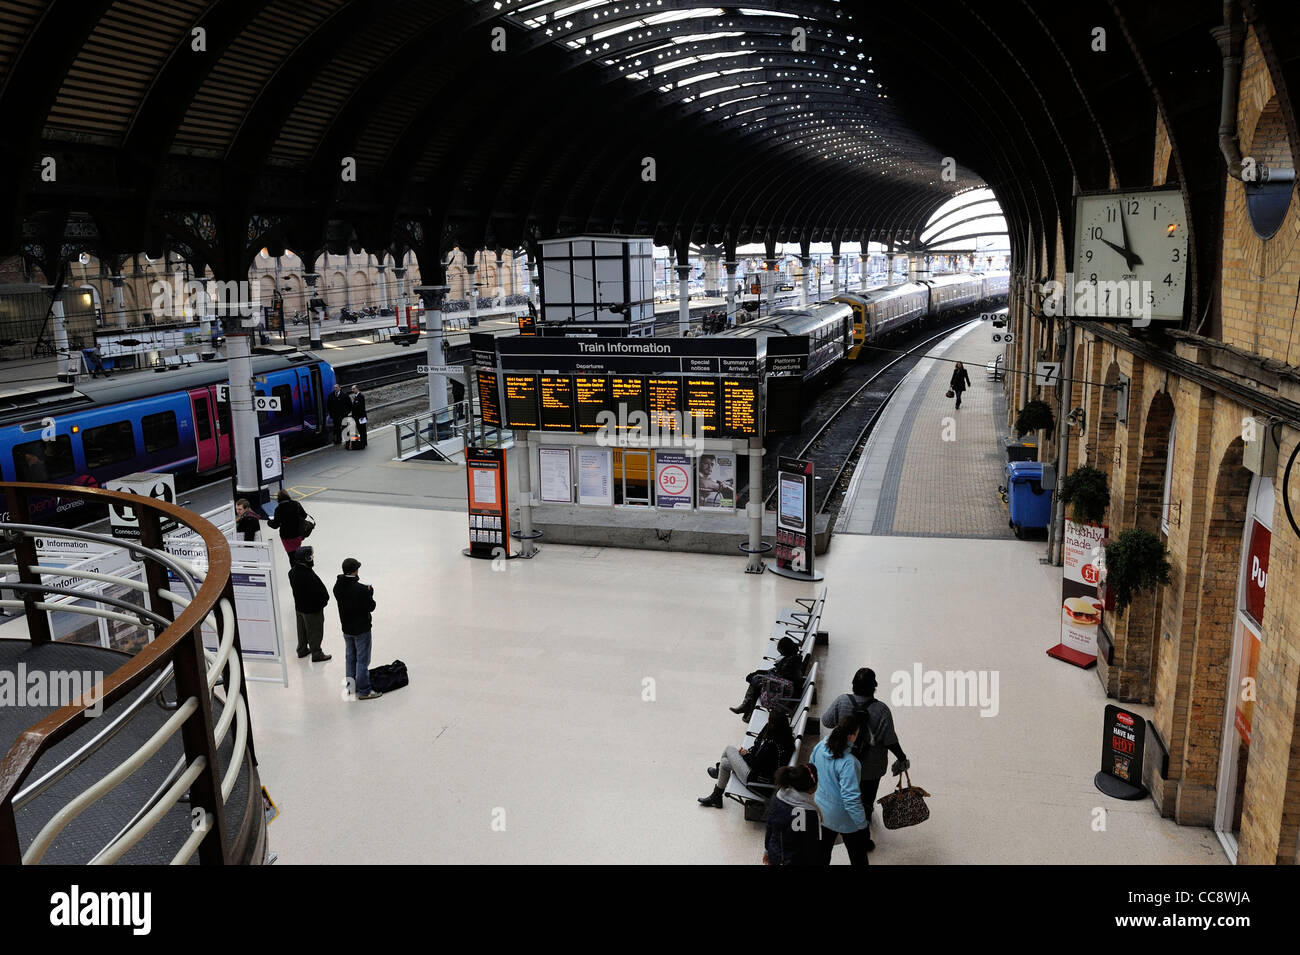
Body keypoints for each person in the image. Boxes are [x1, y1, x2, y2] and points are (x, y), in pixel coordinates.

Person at [820, 667, 908, 852]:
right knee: (866, 801)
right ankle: (863, 837)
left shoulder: (842, 701)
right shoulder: (881, 710)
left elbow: (826, 721)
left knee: (844, 796)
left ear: (853, 685)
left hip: (842, 763)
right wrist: (902, 757)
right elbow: (890, 740)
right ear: (874, 687)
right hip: (871, 768)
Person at [698, 708, 795, 808]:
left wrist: (745, 754)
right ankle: (716, 796)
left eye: (769, 720)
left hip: (758, 783)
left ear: (773, 725)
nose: (767, 722)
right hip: (766, 778)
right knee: (725, 763)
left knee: (729, 749)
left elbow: (755, 764)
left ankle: (718, 781)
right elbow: (760, 753)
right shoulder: (785, 738)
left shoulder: (771, 745)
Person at [811, 715, 870, 865]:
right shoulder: (849, 763)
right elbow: (851, 799)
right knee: (858, 856)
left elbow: (811, 768)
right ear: (851, 736)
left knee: (822, 854)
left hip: (821, 811)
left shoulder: (820, 745)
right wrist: (862, 825)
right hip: (843, 817)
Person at [333, 557, 381, 700]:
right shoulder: (360, 590)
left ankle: (350, 687)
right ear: (355, 571)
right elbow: (371, 607)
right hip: (361, 629)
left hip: (346, 628)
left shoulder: (337, 587)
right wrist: (370, 593)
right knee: (362, 659)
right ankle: (364, 691)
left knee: (350, 657)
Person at [763, 764, 824, 866]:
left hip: (774, 854)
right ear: (813, 788)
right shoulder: (810, 814)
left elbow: (769, 826)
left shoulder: (777, 797)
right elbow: (810, 847)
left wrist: (767, 850)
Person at [731, 636, 803, 720]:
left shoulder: (791, 663)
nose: (778, 650)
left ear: (784, 649)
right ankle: (747, 711)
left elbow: (779, 677)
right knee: (756, 677)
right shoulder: (792, 657)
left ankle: (746, 709)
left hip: (786, 696)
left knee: (755, 681)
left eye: (779, 648)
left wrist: (762, 675)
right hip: (785, 687)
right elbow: (779, 674)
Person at [287, 546, 331, 662]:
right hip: (312, 609)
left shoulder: (292, 572)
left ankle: (302, 650)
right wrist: (323, 601)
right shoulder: (308, 575)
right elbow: (318, 591)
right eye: (311, 556)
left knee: (301, 630)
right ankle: (316, 653)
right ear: (306, 558)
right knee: (315, 631)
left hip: (299, 607)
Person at [266, 489, 309, 556]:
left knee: (291, 555)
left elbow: (275, 525)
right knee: (298, 552)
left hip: (286, 536)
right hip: (297, 533)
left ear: (279, 498)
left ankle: (293, 566)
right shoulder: (296, 504)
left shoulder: (278, 509)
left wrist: (269, 522)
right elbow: (304, 515)